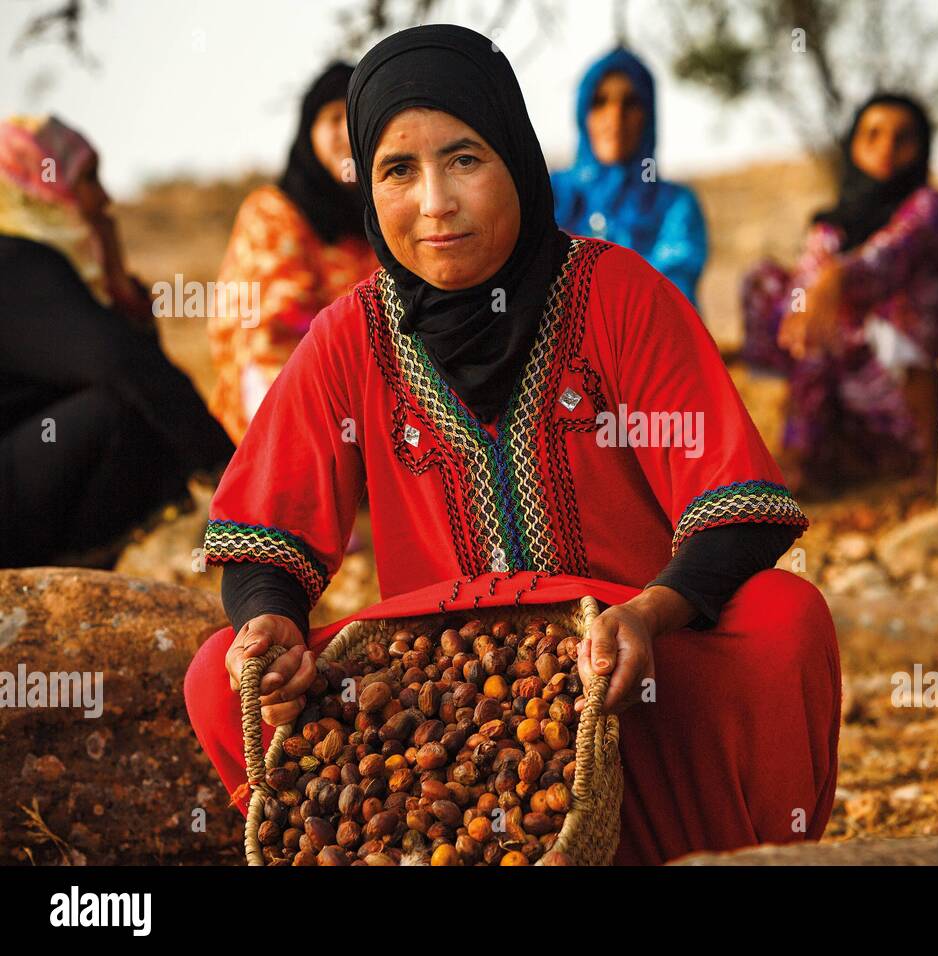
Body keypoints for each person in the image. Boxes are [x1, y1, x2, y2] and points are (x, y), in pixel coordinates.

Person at [182, 25, 839, 866]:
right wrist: (267, 626)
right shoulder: (351, 336)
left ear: (520, 160)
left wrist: (647, 613)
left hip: (632, 676)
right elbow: (265, 536)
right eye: (396, 171)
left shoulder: (617, 294)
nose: (434, 203)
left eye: (465, 160)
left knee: (787, 619)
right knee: (216, 673)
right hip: (426, 711)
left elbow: (735, 510)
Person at [0, 115, 233, 567]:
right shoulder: (15, 259)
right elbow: (122, 365)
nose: (104, 197)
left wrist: (119, 289)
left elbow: (127, 360)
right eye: (87, 178)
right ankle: (63, 570)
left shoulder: (40, 261)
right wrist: (228, 465)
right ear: (38, 184)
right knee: (124, 402)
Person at [740, 93, 938, 492]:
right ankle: (803, 453)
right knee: (770, 285)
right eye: (872, 135)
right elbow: (806, 286)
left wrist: (836, 280)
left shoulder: (931, 207)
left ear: (922, 147)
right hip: (857, 364)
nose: (886, 148)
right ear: (853, 146)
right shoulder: (830, 225)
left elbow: (888, 259)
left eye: (902, 138)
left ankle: (929, 462)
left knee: (900, 305)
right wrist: (812, 309)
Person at [207, 62, 378, 444]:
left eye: (354, 118)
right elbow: (276, 327)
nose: (344, 134)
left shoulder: (389, 212)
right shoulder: (274, 211)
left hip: (376, 388)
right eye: (332, 119)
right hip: (292, 385)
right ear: (309, 132)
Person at [550, 47, 708, 305]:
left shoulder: (676, 206)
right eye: (599, 102)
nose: (615, 117)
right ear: (582, 114)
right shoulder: (552, 196)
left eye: (631, 102)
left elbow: (671, 297)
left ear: (648, 115)